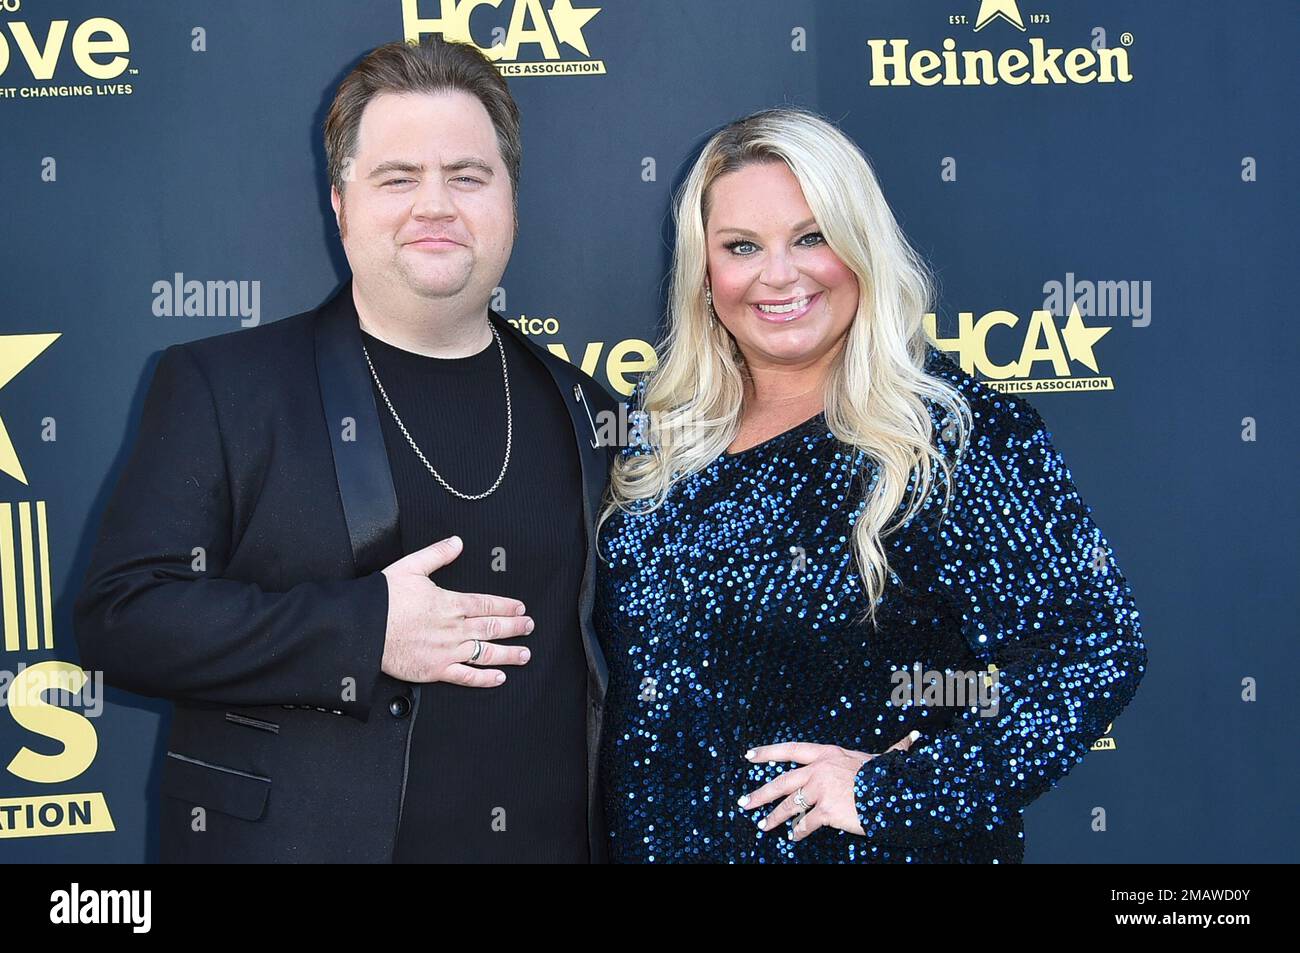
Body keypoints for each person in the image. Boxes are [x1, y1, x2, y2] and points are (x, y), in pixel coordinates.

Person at [73, 36, 618, 863]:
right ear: (341, 203)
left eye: (467, 176)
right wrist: (366, 630)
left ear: (511, 198)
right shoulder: (224, 388)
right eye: (398, 178)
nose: (434, 204)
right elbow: (122, 618)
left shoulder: (587, 407)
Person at [594, 107, 1147, 863]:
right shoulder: (661, 442)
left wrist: (902, 790)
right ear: (705, 270)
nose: (779, 274)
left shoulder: (949, 435)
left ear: (861, 247)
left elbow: (1095, 645)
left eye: (812, 236)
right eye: (742, 246)